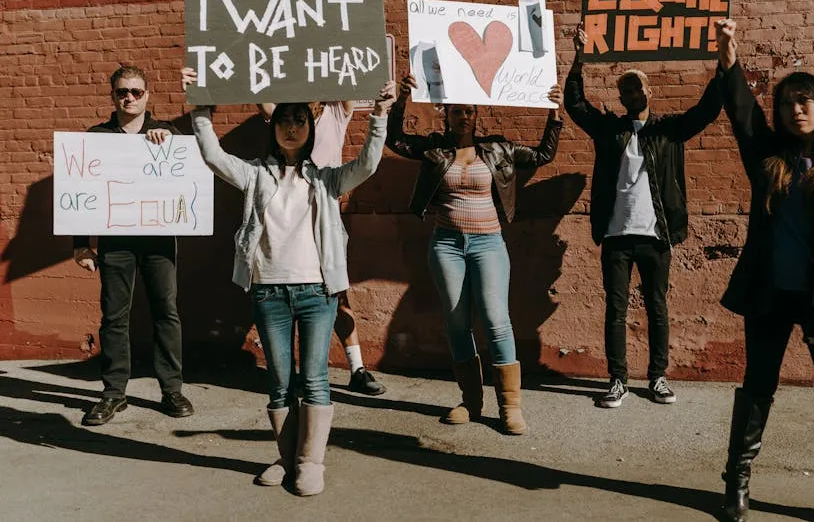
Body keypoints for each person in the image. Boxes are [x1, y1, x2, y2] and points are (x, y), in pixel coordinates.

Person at [183, 67, 394, 495]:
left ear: (310, 127)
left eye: (299, 120)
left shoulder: (326, 177)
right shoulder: (256, 174)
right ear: (274, 128)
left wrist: (381, 115)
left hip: (316, 292)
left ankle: (310, 462)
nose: (292, 126)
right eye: (284, 120)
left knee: (314, 377)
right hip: (269, 291)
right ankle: (286, 455)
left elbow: (369, 163)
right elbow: (212, 157)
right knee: (279, 379)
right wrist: (201, 113)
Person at [714, 20, 814, 522]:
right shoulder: (770, 158)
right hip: (770, 293)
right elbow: (744, 117)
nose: (796, 109)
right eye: (787, 103)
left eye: (806, 101)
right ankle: (736, 485)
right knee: (757, 386)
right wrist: (729, 60)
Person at [385, 74, 563, 436]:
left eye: (469, 110)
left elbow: (543, 154)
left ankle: (510, 405)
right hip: (447, 244)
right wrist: (401, 101)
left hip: (488, 244)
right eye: (457, 111)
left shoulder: (498, 149)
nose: (464, 116)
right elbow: (397, 141)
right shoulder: (436, 150)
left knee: (497, 319)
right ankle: (471, 401)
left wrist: (554, 112)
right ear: (446, 115)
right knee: (456, 322)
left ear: (477, 114)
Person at [564, 26, 723, 408]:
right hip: (616, 235)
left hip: (656, 236)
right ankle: (617, 380)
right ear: (621, 98)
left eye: (637, 88)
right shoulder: (609, 130)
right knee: (615, 309)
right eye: (626, 91)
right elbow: (575, 105)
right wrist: (579, 57)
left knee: (657, 308)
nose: (632, 95)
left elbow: (707, 110)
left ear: (648, 92)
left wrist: (723, 62)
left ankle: (657, 378)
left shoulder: (667, 131)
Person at [75, 66, 194, 427]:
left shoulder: (168, 134)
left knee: (166, 312)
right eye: (122, 92)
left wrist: (169, 142)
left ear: (148, 95)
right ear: (112, 96)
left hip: (159, 240)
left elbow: (187, 181)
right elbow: (82, 193)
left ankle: (172, 389)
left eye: (136, 92)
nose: (129, 98)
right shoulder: (96, 137)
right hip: (116, 242)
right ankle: (113, 393)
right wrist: (81, 244)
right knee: (114, 316)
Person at [258, 100, 386, 396]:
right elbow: (261, 97)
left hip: (325, 204)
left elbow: (345, 80)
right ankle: (291, 378)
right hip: (288, 209)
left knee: (337, 292)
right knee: (288, 297)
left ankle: (356, 367)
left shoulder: (336, 110)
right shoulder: (287, 112)